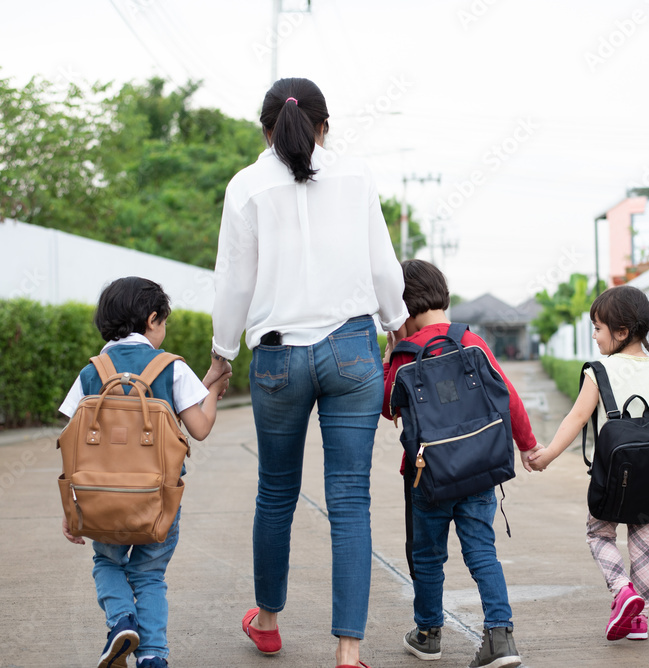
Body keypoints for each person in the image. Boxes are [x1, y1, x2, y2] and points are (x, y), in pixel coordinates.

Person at [205, 77, 408, 668]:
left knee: (276, 492)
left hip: (276, 358)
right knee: (349, 499)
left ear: (266, 131)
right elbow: (382, 264)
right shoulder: (355, 174)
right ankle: (348, 652)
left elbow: (234, 282)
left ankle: (267, 622)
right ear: (325, 126)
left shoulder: (245, 187)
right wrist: (396, 323)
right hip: (351, 350)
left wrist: (222, 354)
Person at [59, 276, 230, 668]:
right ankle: (152, 655)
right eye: (164, 322)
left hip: (101, 501)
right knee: (150, 575)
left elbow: (70, 442)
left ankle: (121, 620)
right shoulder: (170, 368)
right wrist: (214, 394)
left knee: (107, 563)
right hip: (158, 503)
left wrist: (71, 506)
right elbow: (199, 427)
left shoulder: (92, 372)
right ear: (153, 319)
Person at [381, 259, 543, 668]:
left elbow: (387, 407)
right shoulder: (472, 341)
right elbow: (507, 396)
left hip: (428, 476)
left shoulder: (406, 353)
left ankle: (429, 633)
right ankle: (500, 636)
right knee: (481, 551)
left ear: (403, 306)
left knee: (428, 556)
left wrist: (389, 354)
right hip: (478, 469)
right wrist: (527, 445)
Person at [528, 285, 649, 642]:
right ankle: (640, 620)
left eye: (598, 328)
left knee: (599, 533)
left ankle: (622, 589)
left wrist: (546, 456)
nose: (594, 336)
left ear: (621, 332)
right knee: (645, 544)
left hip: (613, 477)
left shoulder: (599, 371)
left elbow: (576, 419)